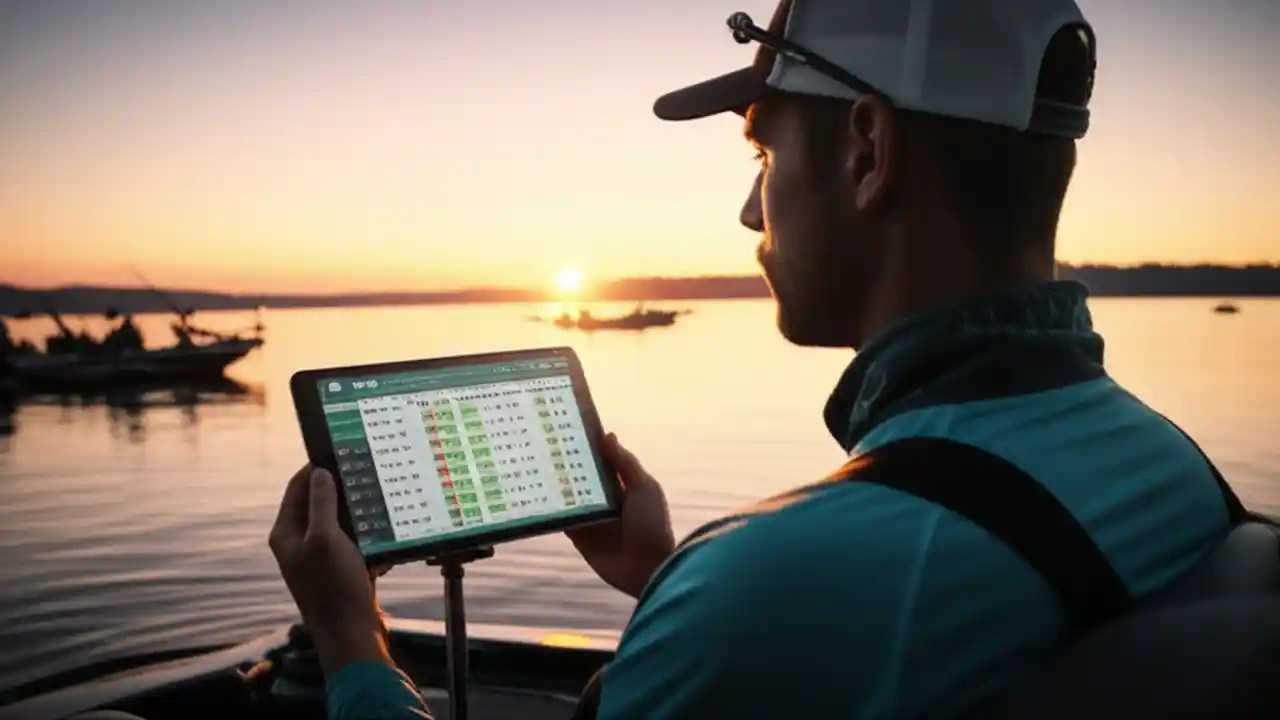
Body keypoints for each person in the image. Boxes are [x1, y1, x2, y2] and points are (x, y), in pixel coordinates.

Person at [270, 0, 1248, 717]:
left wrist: (349, 637)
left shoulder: (763, 589)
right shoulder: (1171, 471)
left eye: (763, 159)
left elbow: (819, 610)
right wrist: (661, 575)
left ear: (867, 152)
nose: (748, 212)